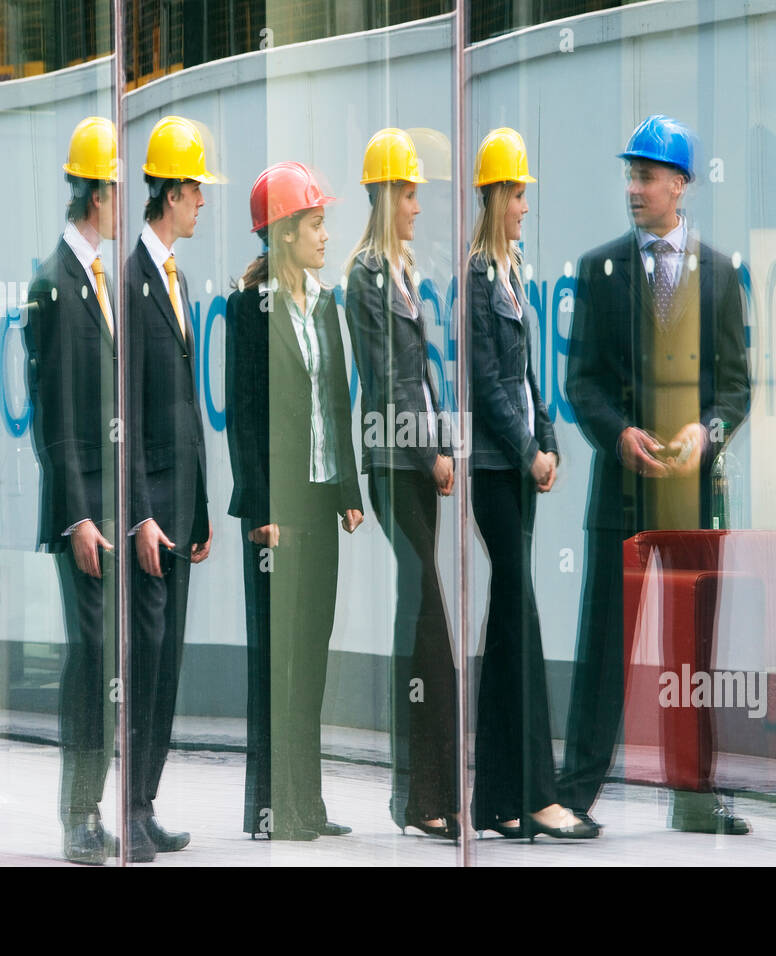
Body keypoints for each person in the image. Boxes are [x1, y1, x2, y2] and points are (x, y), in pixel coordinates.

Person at [559, 114, 751, 834]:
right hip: (622, 494)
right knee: (603, 650)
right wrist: (618, 435)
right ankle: (572, 795)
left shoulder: (722, 273)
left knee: (690, 652)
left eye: (646, 176)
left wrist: (712, 431)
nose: (634, 189)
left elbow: (736, 386)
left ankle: (695, 797)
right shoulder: (599, 270)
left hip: (691, 497)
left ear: (679, 185)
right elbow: (582, 382)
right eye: (630, 176)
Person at [465, 129, 598, 841]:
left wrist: (548, 439)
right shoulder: (477, 278)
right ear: (494, 196)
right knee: (524, 621)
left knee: (510, 625)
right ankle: (539, 796)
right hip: (494, 472)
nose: (524, 207)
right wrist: (525, 451)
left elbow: (526, 378)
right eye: (517, 195)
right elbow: (486, 384)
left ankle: (496, 802)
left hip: (518, 466)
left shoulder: (513, 271)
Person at [226, 162, 364, 842]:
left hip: (318, 502)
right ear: (283, 235)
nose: (324, 235)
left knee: (311, 655)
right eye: (314, 224)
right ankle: (269, 804)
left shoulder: (325, 303)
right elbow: (243, 416)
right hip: (276, 513)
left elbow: (336, 402)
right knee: (273, 660)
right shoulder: (247, 309)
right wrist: (259, 511)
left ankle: (306, 803)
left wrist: (349, 492)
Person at [344, 128, 458, 839]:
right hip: (393, 463)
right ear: (386, 194)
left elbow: (420, 377)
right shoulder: (367, 275)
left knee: (422, 624)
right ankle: (422, 797)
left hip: (413, 460)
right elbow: (389, 382)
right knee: (426, 630)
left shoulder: (401, 270)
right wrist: (431, 453)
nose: (418, 205)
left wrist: (442, 443)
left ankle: (418, 795)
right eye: (410, 192)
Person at [23, 116, 119, 864]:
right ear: (97, 193)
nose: (123, 200)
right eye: (117, 188)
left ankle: (93, 807)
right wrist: (81, 514)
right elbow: (52, 415)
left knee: (104, 659)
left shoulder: (97, 280)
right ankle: (75, 816)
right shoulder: (53, 285)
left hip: (110, 507)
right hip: (80, 513)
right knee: (89, 655)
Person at [124, 115, 216, 861]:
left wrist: (204, 508)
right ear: (173, 192)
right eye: (197, 191)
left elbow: (186, 404)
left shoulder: (174, 279)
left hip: (182, 507)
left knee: (169, 659)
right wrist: (140, 517)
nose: (203, 203)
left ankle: (145, 801)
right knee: (145, 657)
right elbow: (120, 411)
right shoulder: (130, 283)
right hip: (150, 513)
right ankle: (126, 806)